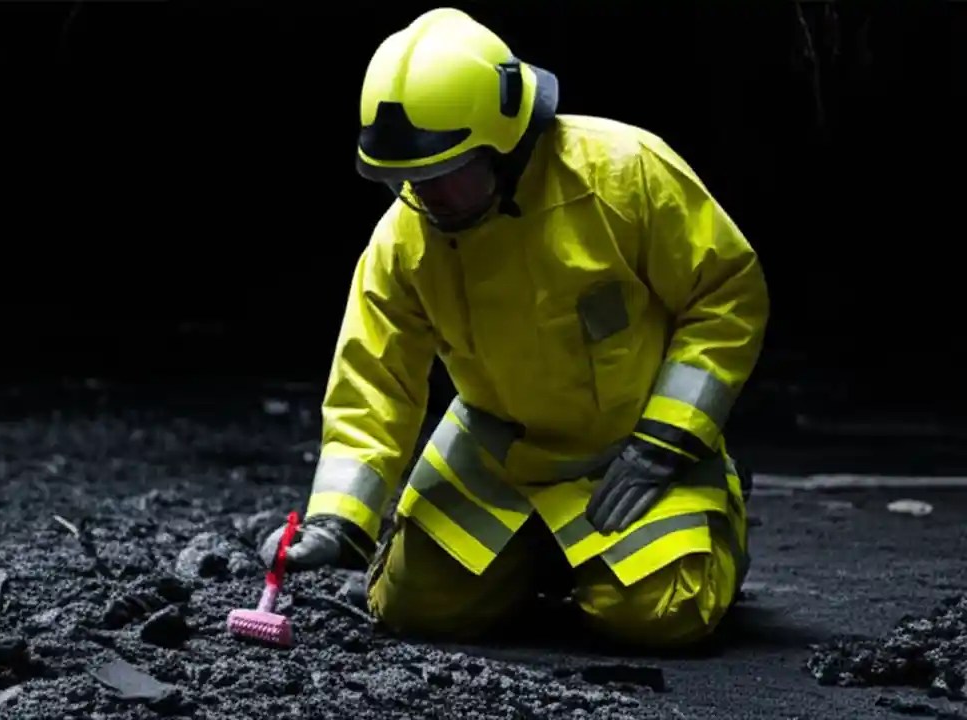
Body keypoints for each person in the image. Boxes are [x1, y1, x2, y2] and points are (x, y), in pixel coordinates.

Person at [258, 7, 769, 650]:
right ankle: (543, 558)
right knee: (412, 610)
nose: (422, 196)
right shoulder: (405, 237)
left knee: (663, 615)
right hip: (494, 452)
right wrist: (338, 520)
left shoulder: (624, 172)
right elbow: (373, 380)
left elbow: (726, 294)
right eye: (405, 180)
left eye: (440, 174)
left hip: (626, 453)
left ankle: (715, 512)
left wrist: (666, 444)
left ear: (504, 140)